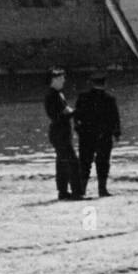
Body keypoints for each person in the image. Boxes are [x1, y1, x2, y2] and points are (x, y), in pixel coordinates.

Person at [75, 71, 121, 198]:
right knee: (103, 163)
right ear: (105, 83)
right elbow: (115, 118)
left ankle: (82, 190)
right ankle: (102, 189)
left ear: (92, 83)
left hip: (86, 136)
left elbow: (76, 116)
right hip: (104, 136)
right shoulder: (110, 99)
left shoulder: (82, 97)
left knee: (85, 163)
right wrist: (116, 134)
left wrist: (79, 131)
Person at [44, 67, 82, 200]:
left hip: (59, 132)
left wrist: (74, 111)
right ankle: (76, 192)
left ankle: (63, 192)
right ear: (54, 79)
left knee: (62, 163)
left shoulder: (56, 94)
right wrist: (76, 112)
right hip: (59, 132)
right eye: (61, 78)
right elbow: (59, 116)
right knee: (72, 162)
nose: (64, 80)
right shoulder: (52, 95)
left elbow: (65, 111)